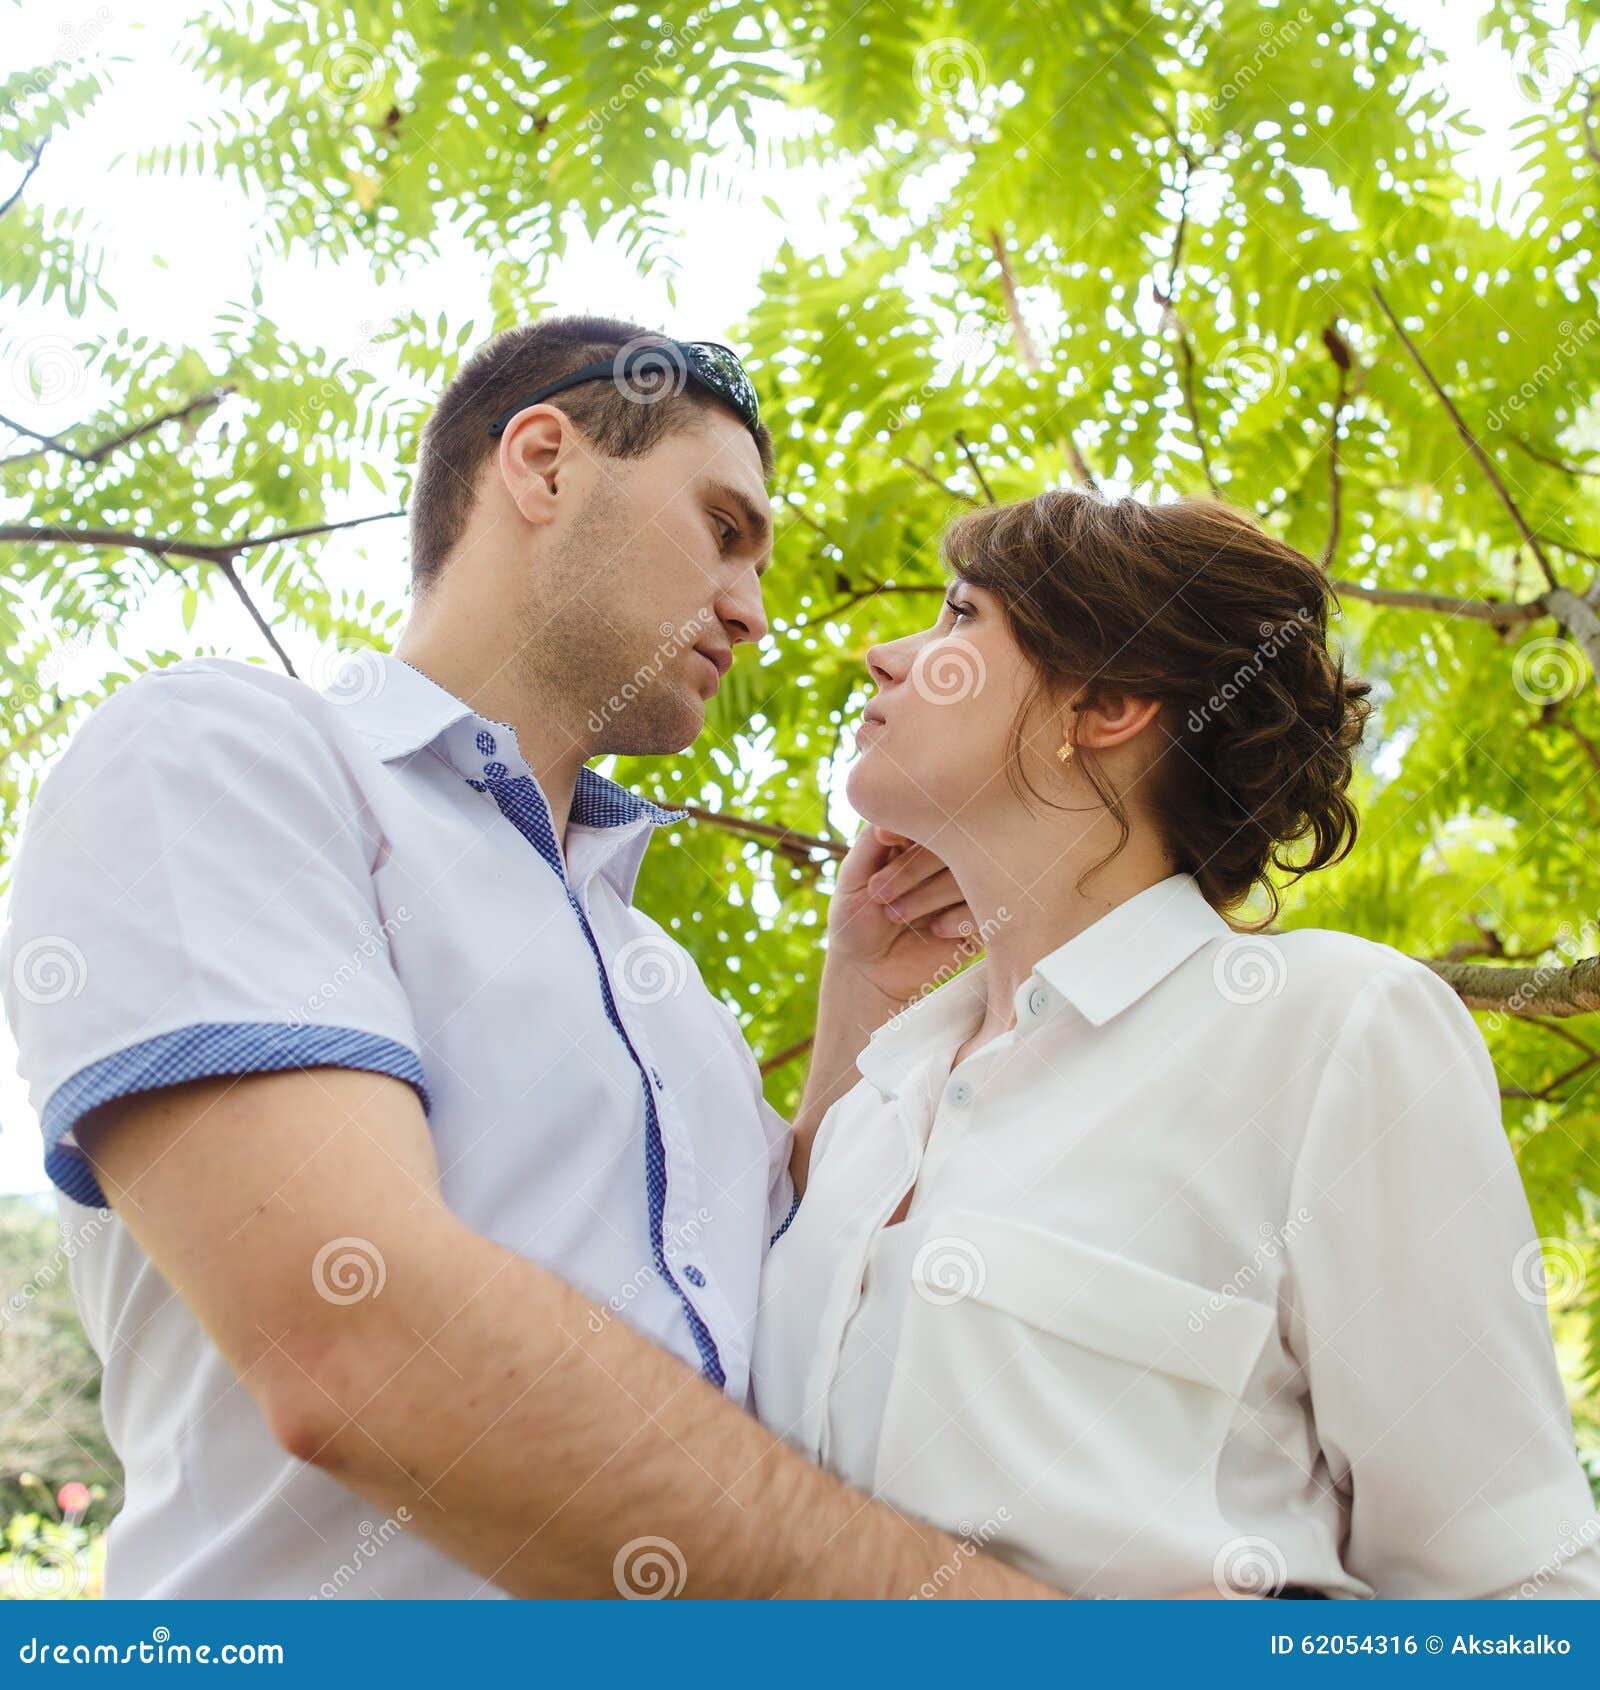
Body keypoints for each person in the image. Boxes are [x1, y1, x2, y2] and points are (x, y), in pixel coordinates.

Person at [0, 316, 1072, 1599]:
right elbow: (358, 1339)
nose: (755, 611)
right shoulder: (222, 755)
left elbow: (776, 1313)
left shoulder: (666, 986)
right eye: (724, 529)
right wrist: (963, 1619)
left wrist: (860, 994)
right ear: (544, 463)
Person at [753, 488, 1600, 1599]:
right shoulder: (872, 1100)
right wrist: (857, 991)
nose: (884, 654)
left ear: (1104, 703)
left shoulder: (1331, 1025)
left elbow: (1515, 1599)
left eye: (960, 616)